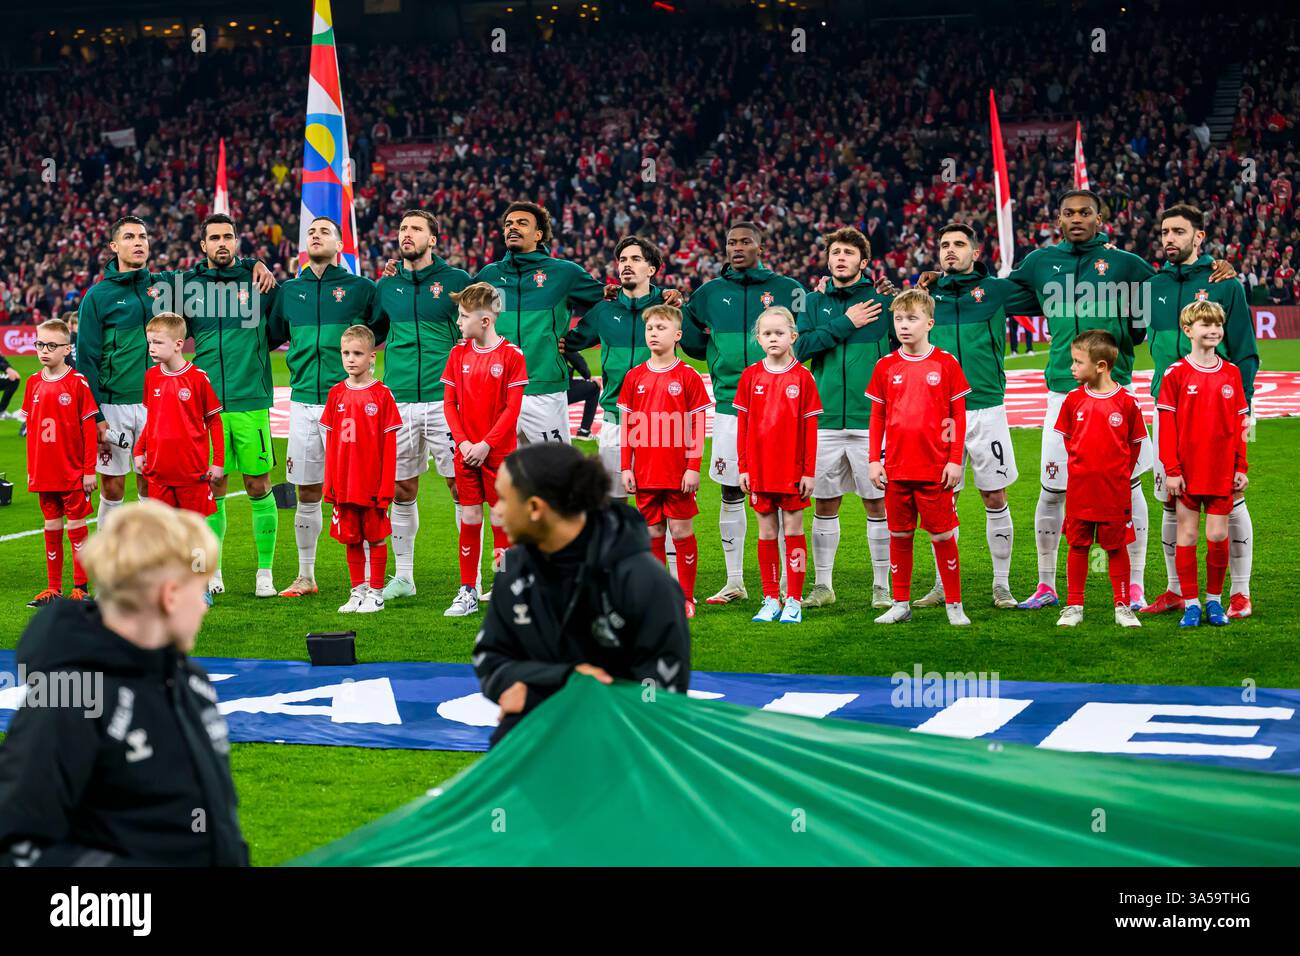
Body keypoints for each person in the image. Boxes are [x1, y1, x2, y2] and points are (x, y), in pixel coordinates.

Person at [982, 191, 1234, 611]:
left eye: (1085, 213)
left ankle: (1135, 584)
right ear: (1057, 219)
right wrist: (941, 280)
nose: (1076, 219)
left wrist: (1214, 269)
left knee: (1129, 488)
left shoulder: (1128, 265)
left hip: (1118, 396)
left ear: (1101, 218)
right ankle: (1047, 585)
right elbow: (992, 295)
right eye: (1068, 213)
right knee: (1052, 490)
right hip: (1062, 396)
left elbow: (1173, 285)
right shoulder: (1040, 264)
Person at [0, 501, 249, 866]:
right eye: (199, 588)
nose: (204, 606)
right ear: (170, 595)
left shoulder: (189, 680)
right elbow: (17, 845)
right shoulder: (70, 696)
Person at [473, 443, 691, 747]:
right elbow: (490, 657)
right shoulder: (513, 569)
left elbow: (659, 689)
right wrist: (564, 680)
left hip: (625, 744)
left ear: (536, 508)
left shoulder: (644, 580)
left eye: (503, 499)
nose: (495, 510)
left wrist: (560, 693)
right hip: (533, 734)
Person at [76, 217, 271, 530]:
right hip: (113, 404)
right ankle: (108, 567)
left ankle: (150, 561)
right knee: (112, 488)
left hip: (156, 404)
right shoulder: (97, 297)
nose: (138, 242)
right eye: (129, 237)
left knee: (150, 485)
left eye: (142, 236)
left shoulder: (166, 285)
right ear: (114, 247)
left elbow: (215, 263)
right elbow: (86, 360)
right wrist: (95, 416)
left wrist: (253, 263)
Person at [1143, 205, 1259, 619]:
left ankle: (1239, 593)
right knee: (1172, 500)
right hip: (1170, 408)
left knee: (1233, 498)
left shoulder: (1224, 283)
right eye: (1165, 231)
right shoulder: (1153, 283)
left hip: (1224, 409)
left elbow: (1245, 350)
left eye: (1179, 231)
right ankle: (1178, 590)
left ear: (1199, 237)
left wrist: (1245, 408)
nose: (1170, 238)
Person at [681, 222, 805, 605]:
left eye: (745, 241)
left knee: (783, 493)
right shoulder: (709, 293)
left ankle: (786, 582)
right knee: (731, 490)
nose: (737, 247)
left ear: (761, 245)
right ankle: (735, 581)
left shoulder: (788, 289)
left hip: (781, 408)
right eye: (732, 242)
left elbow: (809, 332)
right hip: (729, 407)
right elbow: (693, 344)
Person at [269, 216, 382, 599]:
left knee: (359, 490)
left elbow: (379, 329)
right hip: (302, 402)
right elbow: (273, 334)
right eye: (311, 232)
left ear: (340, 243)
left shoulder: (361, 289)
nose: (316, 235)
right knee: (307, 491)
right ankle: (305, 576)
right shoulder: (290, 290)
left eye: (324, 232)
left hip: (348, 402)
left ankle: (369, 579)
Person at [918, 222, 1026, 609]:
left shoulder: (996, 291)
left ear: (975, 252)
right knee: (942, 498)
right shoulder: (927, 296)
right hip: (939, 412)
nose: (950, 250)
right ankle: (941, 584)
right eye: (944, 244)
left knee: (994, 494)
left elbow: (1044, 292)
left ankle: (1002, 585)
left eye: (959, 244)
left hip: (986, 407)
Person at [372, 209, 471, 603]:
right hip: (398, 400)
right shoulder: (388, 285)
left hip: (444, 398)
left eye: (415, 229)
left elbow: (477, 325)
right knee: (400, 487)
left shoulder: (456, 282)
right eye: (402, 229)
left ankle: (471, 578)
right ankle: (405, 577)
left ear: (434, 239)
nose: (406, 234)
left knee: (460, 487)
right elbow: (374, 329)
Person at [182, 213, 281, 599]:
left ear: (237, 242)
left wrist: (255, 352)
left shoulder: (259, 281)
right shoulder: (189, 286)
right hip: (205, 406)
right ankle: (213, 569)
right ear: (203, 245)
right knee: (213, 485)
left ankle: (265, 572)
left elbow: (279, 327)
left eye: (228, 237)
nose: (222, 243)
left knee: (258, 484)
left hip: (250, 399)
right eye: (214, 238)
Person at [796, 226, 894, 609]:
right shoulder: (812, 301)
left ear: (864, 262)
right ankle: (823, 586)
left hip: (870, 420)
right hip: (823, 422)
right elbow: (800, 348)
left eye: (849, 253)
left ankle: (882, 586)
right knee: (824, 502)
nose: (840, 258)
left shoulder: (883, 302)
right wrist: (846, 323)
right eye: (835, 252)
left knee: (877, 504)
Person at [866, 289, 972, 627]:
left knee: (941, 536)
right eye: (898, 319)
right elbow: (877, 417)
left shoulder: (946, 363)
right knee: (899, 535)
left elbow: (957, 415)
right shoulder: (885, 365)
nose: (903, 325)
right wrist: (873, 459)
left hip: (935, 469)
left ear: (929, 322)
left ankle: (954, 604)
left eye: (911, 319)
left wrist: (955, 459)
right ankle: (900, 603)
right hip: (896, 468)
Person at [471, 201, 605, 445]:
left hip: (545, 390)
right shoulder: (488, 275)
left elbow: (607, 303)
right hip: (496, 390)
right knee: (502, 479)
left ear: (539, 235)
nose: (513, 227)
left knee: (552, 477)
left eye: (522, 223)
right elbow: (456, 308)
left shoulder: (565, 273)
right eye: (508, 224)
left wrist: (581, 338)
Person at [1155, 301, 1250, 628]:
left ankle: (1214, 601)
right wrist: (1172, 470)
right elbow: (1167, 427)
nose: (1213, 331)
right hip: (1188, 473)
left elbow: (1239, 426)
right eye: (1205, 325)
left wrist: (1242, 467)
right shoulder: (1176, 373)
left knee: (1217, 535)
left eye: (1217, 325)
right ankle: (1191, 604)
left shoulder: (1232, 373)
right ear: (1188, 330)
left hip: (1221, 471)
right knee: (1188, 534)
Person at [618, 304, 711, 618]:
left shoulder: (688, 377)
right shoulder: (634, 377)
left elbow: (698, 425)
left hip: (677, 472)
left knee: (682, 533)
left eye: (661, 327)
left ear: (678, 335)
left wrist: (693, 467)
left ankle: (686, 597)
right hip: (644, 472)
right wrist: (626, 467)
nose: (654, 333)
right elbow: (628, 426)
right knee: (653, 534)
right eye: (650, 328)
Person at [440, 283, 527, 617]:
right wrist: (464, 443)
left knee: (501, 520)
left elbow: (512, 409)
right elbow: (449, 404)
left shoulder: (511, 356)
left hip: (499, 456)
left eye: (464, 316)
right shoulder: (457, 353)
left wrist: (486, 444)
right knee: (470, 516)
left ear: (486, 321)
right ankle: (467, 590)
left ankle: (504, 587)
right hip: (466, 452)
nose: (459, 322)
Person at [1051, 330, 1146, 628]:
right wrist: (1085, 469)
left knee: (1116, 547)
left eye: (1078, 362)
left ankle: (1122, 606)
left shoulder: (1127, 402)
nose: (1072, 368)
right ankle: (1074, 606)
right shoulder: (1072, 400)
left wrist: (1115, 475)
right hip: (1080, 491)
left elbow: (1134, 446)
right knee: (1078, 546)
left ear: (1101, 366)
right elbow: (1069, 440)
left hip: (1114, 493)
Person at [565, 236, 670, 498]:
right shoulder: (603, 311)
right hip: (614, 418)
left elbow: (698, 345)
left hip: (660, 419)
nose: (626, 264)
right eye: (622, 259)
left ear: (652, 269)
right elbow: (568, 342)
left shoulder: (669, 308)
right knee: (614, 505)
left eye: (635, 259)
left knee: (661, 510)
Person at [735, 306, 822, 624]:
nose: (773, 338)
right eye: (767, 333)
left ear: (792, 336)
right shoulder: (750, 376)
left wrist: (808, 471)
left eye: (779, 333)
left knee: (793, 530)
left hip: (792, 473)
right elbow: (743, 427)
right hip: (759, 471)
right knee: (767, 533)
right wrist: (743, 467)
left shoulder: (803, 377)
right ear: (758, 338)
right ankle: (771, 598)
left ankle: (794, 601)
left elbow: (811, 431)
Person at [319, 325, 402, 614]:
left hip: (371, 484)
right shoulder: (335, 394)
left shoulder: (382, 395)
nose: (350, 359)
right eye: (345, 353)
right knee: (351, 538)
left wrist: (385, 488)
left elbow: (390, 448)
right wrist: (329, 484)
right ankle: (357, 592)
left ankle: (376, 594)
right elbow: (331, 444)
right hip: (343, 484)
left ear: (371, 358)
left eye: (357, 353)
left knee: (376, 538)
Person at [21, 318, 98, 608]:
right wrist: (32, 468)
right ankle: (53, 588)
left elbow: (89, 431)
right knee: (51, 526)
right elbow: (31, 430)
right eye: (40, 344)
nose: (44, 350)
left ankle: (81, 587)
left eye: (51, 345)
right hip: (44, 472)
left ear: (67, 349)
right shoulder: (33, 383)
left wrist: (89, 470)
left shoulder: (77, 382)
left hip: (72, 472)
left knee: (76, 526)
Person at [133, 312, 224, 530]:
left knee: (194, 531)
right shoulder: (151, 376)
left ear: (178, 344)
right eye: (149, 342)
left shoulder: (197, 378)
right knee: (162, 532)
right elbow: (152, 419)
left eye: (157, 342)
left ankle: (198, 567)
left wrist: (218, 462)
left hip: (191, 473)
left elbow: (214, 421)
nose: (151, 348)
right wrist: (139, 449)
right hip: (158, 472)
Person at [566, 349, 601, 439]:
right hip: (559, 389)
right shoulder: (560, 339)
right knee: (594, 388)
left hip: (533, 389)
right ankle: (584, 431)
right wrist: (588, 375)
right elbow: (575, 358)